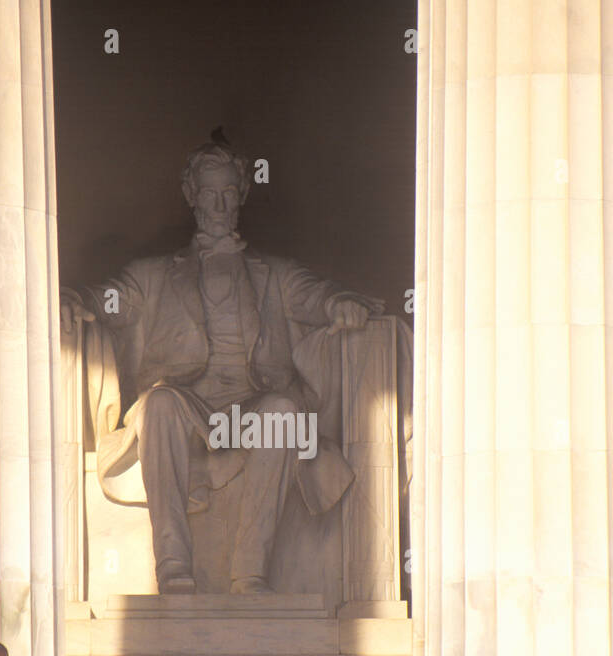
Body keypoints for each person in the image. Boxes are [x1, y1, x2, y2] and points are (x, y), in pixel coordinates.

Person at [60, 138, 381, 595]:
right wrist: (78, 299)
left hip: (249, 409)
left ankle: (250, 575)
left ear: (243, 194)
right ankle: (172, 568)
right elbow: (110, 299)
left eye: (228, 192)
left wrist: (343, 304)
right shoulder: (153, 275)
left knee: (283, 413)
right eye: (209, 193)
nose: (218, 203)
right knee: (159, 405)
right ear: (191, 195)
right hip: (186, 406)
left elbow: (320, 296)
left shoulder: (277, 273)